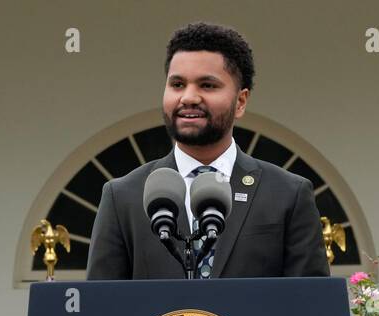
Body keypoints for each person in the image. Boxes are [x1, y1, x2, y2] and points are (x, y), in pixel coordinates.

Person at [86, 21, 328, 280]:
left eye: (207, 85)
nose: (188, 97)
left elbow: (309, 308)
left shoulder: (289, 195)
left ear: (241, 102)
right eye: (177, 84)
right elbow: (100, 310)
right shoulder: (123, 197)